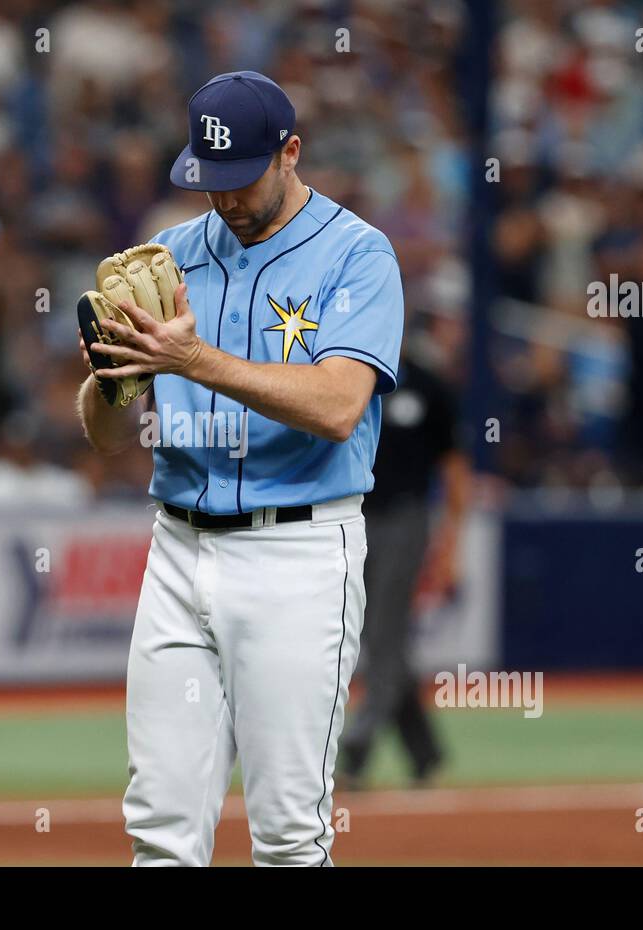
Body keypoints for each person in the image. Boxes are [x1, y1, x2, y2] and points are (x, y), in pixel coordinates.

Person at [75, 71, 403, 866]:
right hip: (179, 548)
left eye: (241, 177)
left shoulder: (357, 255)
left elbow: (336, 406)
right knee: (160, 829)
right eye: (208, 179)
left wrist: (192, 357)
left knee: (289, 835)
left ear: (291, 152)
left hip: (297, 556)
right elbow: (106, 437)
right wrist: (113, 380)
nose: (223, 197)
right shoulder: (169, 258)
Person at [337, 311, 469, 788]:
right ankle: (425, 753)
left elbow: (455, 472)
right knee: (380, 640)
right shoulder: (349, 376)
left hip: (406, 521)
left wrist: (453, 544)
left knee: (384, 634)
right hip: (352, 517)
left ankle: (356, 747)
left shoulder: (429, 387)